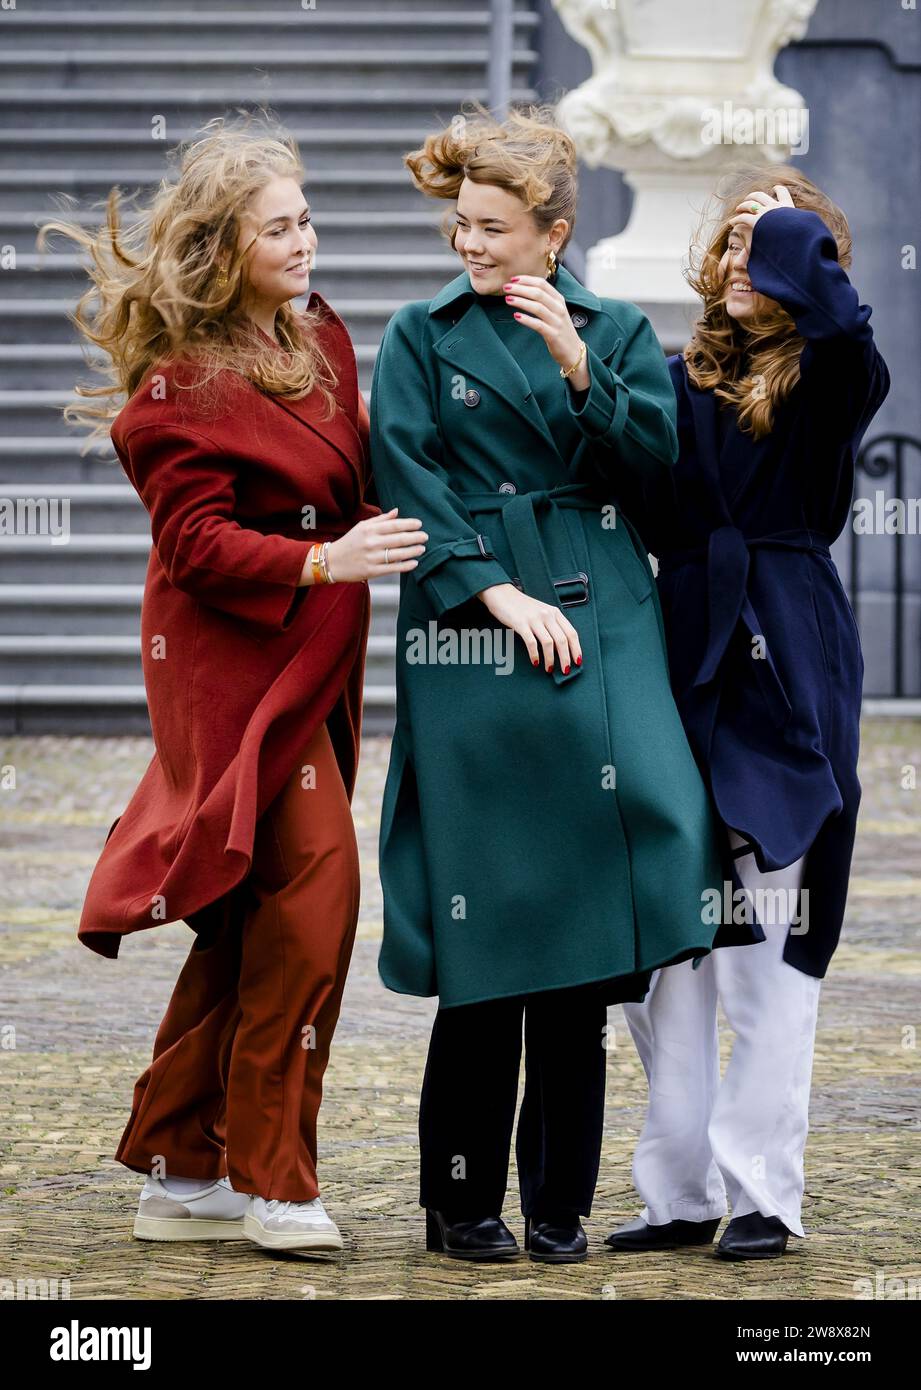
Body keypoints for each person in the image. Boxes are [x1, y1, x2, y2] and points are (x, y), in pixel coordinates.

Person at [369, 103, 739, 1263]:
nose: (469, 246)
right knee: (493, 924)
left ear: (554, 232)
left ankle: (561, 1207)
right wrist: (495, 592)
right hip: (475, 637)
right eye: (458, 226)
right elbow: (408, 479)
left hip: (606, 626)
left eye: (491, 227)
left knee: (583, 934)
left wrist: (582, 368)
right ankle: (461, 1199)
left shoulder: (618, 328)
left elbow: (654, 470)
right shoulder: (420, 337)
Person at [51, 116, 426, 1253]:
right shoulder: (176, 389)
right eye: (280, 226)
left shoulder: (325, 339)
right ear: (224, 247)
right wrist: (323, 558)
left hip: (316, 656)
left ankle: (176, 1163)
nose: (306, 239)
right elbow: (197, 547)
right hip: (229, 667)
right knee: (315, 902)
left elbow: (359, 480)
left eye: (306, 217)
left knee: (248, 917)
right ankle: (273, 1179)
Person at [605, 168, 890, 1260]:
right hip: (676, 658)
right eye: (729, 240)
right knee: (673, 952)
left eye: (766, 245)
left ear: (809, 265)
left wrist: (787, 223)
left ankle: (763, 1189)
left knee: (773, 938)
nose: (741, 259)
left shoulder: (833, 377)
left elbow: (847, 327)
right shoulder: (675, 380)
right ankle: (676, 1188)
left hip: (786, 668)